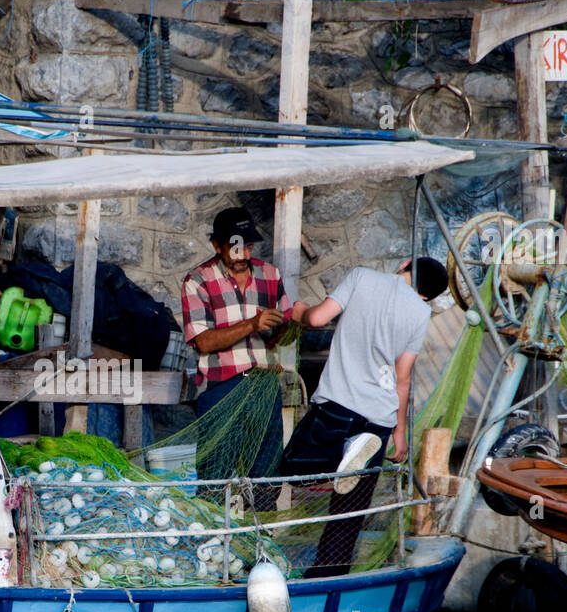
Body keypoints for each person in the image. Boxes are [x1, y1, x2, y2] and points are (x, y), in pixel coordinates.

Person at [280, 257, 448, 577]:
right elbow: (403, 377)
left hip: (338, 406)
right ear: (428, 295)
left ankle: (345, 455)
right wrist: (399, 433)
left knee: (294, 467)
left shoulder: (361, 276)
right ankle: (327, 579)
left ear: (404, 264)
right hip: (379, 421)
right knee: (350, 512)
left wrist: (298, 309)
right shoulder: (422, 311)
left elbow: (317, 319)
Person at [181, 207, 290, 491]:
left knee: (266, 479)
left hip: (264, 388)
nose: (243, 253)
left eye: (249, 245)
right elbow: (203, 341)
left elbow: (284, 326)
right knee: (215, 479)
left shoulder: (270, 275)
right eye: (235, 247)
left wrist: (284, 337)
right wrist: (252, 325)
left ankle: (259, 535)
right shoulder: (198, 280)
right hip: (221, 389)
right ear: (217, 245)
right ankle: (213, 535)